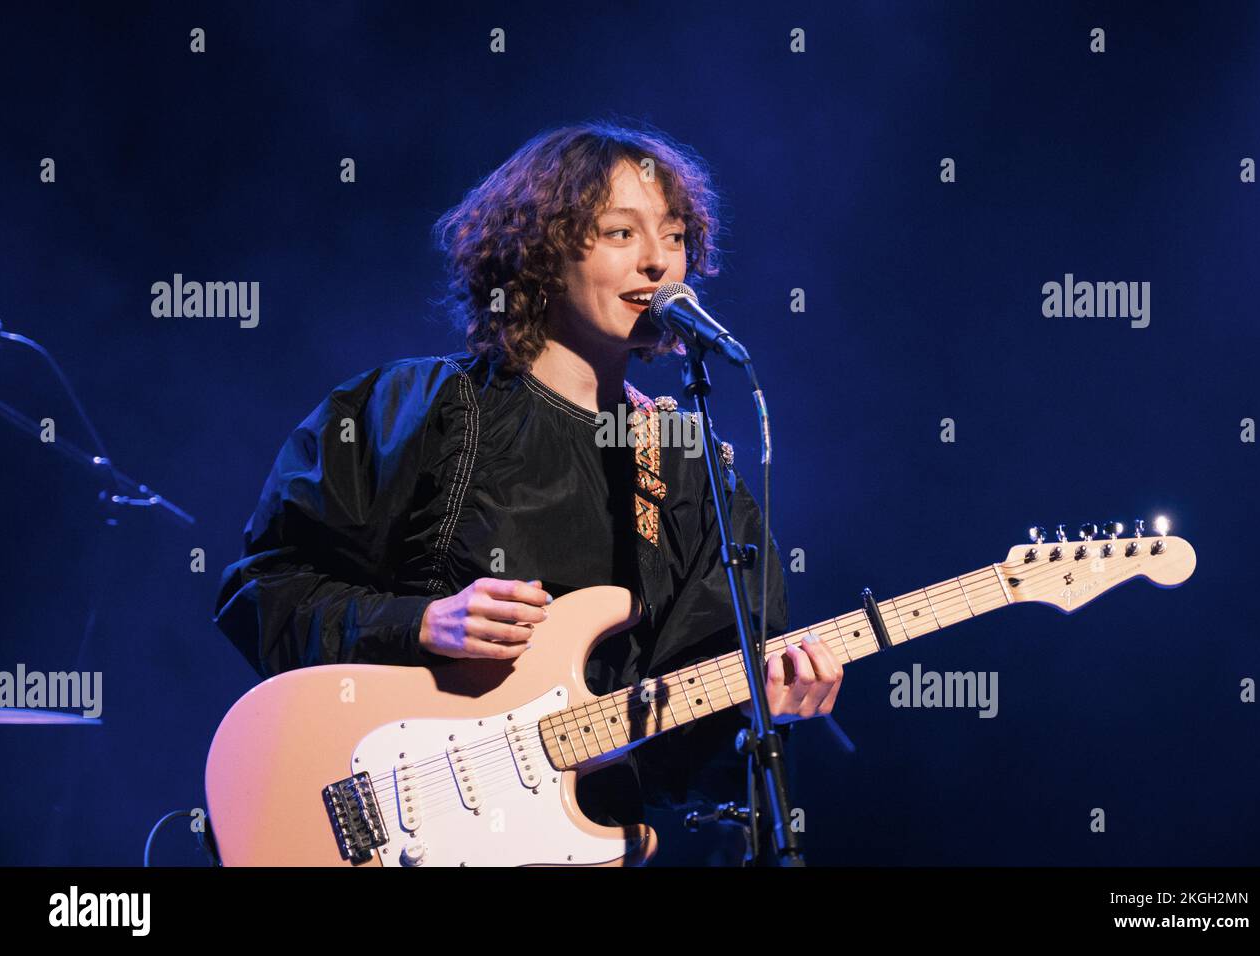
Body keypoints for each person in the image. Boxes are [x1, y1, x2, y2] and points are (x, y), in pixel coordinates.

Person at [212, 120, 843, 862]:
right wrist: (420, 625)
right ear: (540, 253)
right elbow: (260, 591)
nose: (656, 263)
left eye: (673, 237)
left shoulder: (689, 466)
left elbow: (683, 762)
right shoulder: (416, 407)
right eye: (619, 233)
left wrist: (764, 714)